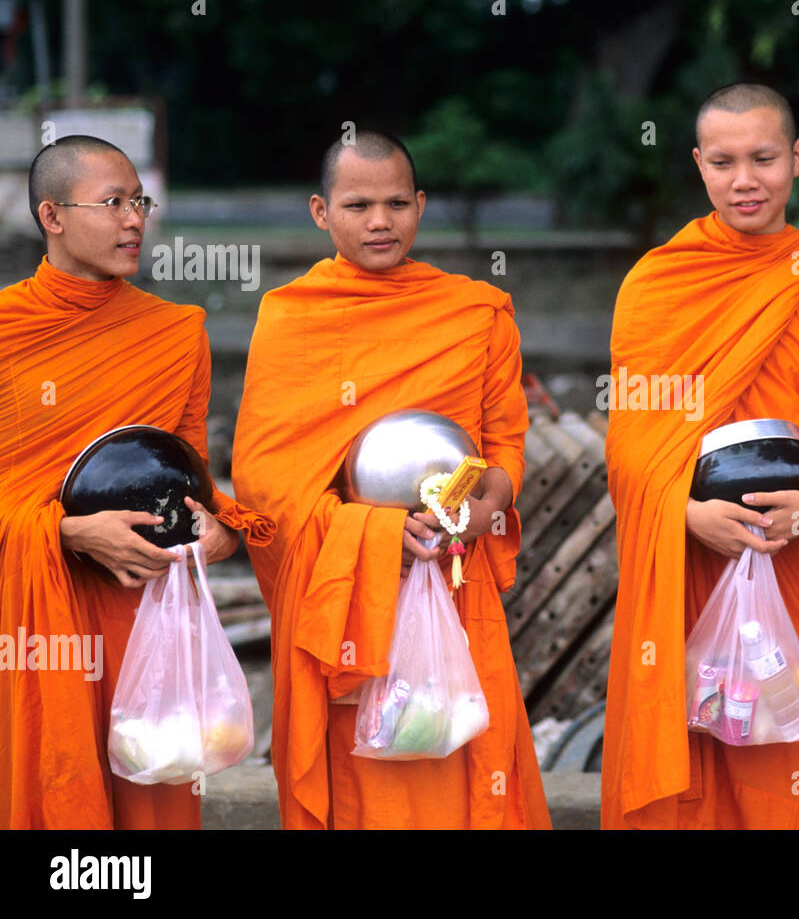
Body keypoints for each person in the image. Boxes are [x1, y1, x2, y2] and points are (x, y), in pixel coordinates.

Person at [602, 84, 799, 828]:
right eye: (725, 162)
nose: (746, 180)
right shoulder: (658, 281)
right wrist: (683, 511)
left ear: (797, 159)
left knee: (787, 736)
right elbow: (632, 433)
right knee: (684, 733)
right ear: (699, 167)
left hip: (795, 542)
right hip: (688, 549)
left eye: (764, 158)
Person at [231, 129, 550, 829]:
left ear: (421, 205)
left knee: (468, 760)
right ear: (321, 212)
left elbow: (504, 443)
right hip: (345, 597)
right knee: (358, 780)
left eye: (397, 203)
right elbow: (264, 484)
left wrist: (490, 500)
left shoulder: (473, 312)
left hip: (450, 580)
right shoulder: (291, 319)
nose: (381, 221)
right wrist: (374, 533)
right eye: (358, 205)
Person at [0, 135, 273, 828]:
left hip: (143, 612)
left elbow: (188, 471)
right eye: (113, 202)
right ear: (52, 216)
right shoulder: (6, 330)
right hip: (31, 612)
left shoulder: (175, 333)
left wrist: (217, 527)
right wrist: (63, 529)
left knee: (148, 789)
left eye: (140, 202)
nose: (133, 220)